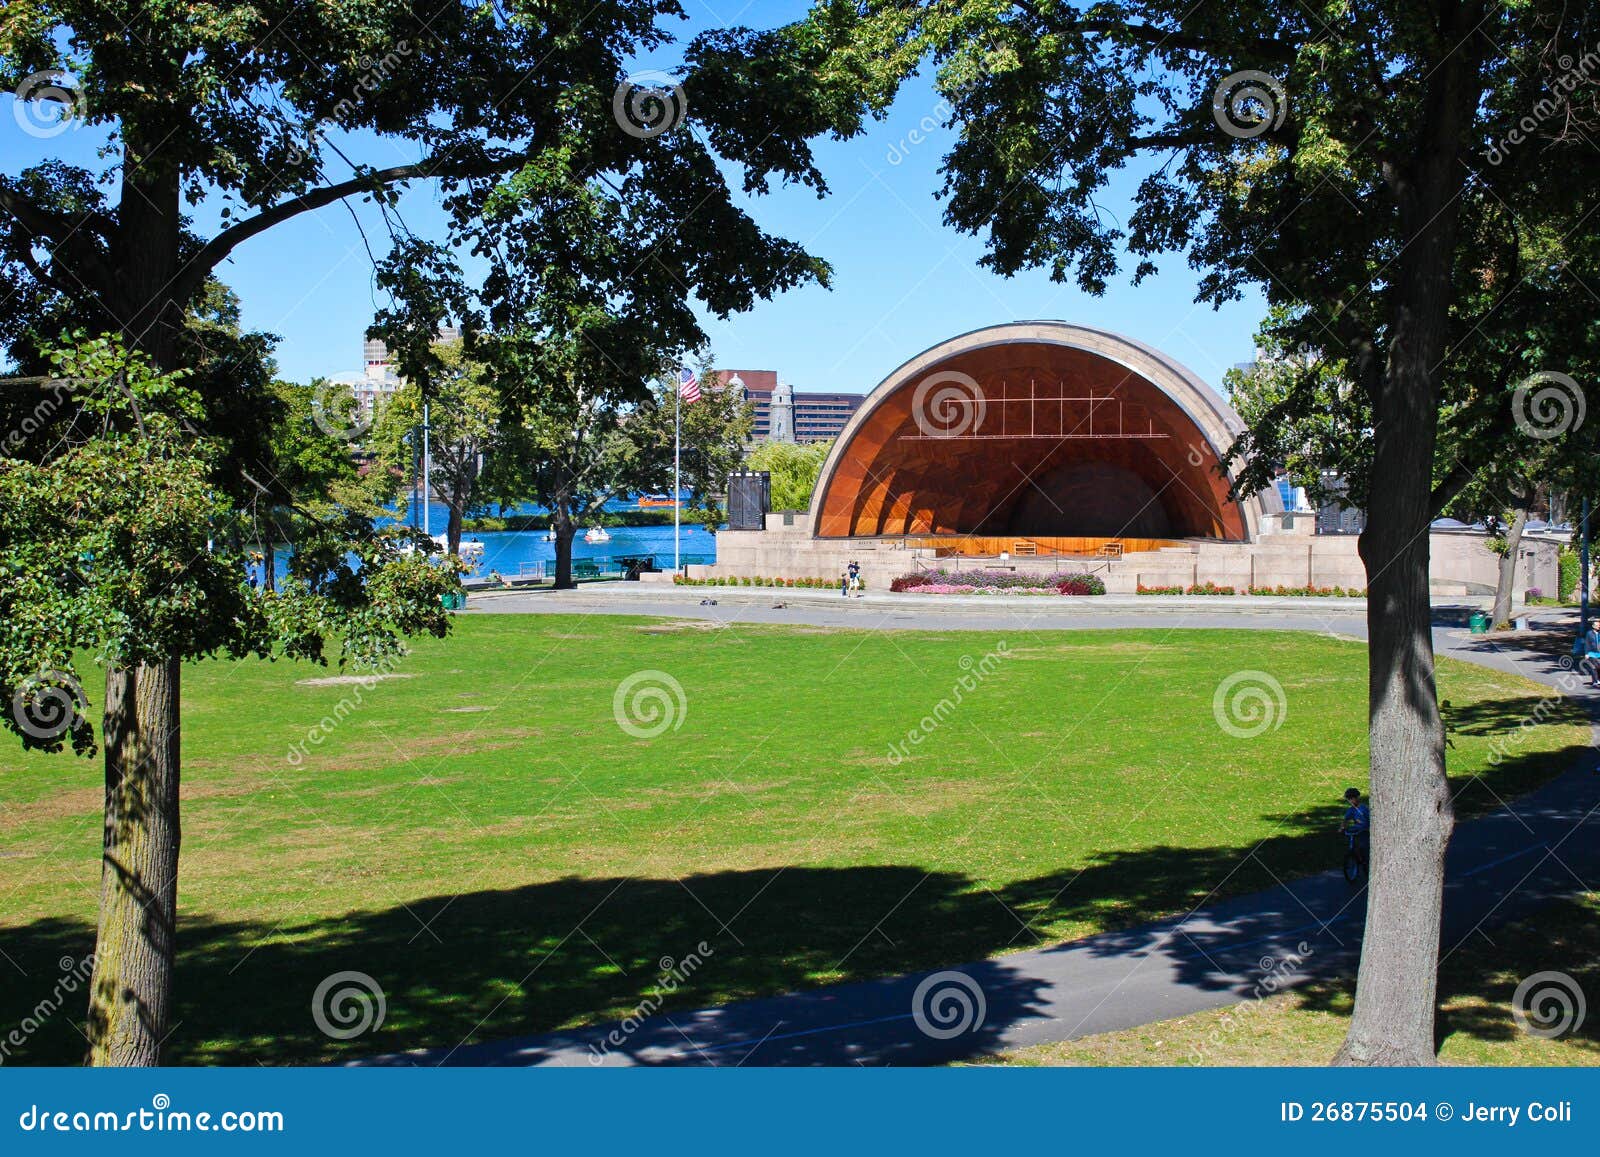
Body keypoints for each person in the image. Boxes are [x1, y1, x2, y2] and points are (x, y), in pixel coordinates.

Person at [1341, 787, 1370, 855]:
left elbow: (1370, 819)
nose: (1351, 801)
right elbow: (1345, 819)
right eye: (1349, 799)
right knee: (1354, 845)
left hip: (1365, 831)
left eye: (1352, 798)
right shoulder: (1351, 810)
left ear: (1357, 797)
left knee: (1364, 847)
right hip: (1357, 831)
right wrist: (1342, 827)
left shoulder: (1364, 808)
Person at [1584, 622, 1600, 688]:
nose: (1599, 627)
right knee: (1594, 667)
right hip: (1592, 653)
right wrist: (1586, 653)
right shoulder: (1589, 633)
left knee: (1598, 667)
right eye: (1598, 626)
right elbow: (1587, 643)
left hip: (1599, 653)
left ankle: (1598, 680)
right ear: (1594, 626)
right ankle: (1595, 681)